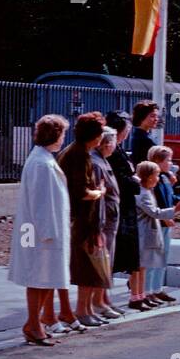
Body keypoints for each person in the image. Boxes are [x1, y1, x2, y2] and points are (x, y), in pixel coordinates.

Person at [7, 114, 71, 346]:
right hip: (43, 232)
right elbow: (42, 201)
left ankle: (35, 322)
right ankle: (33, 323)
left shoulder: (43, 160)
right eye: (62, 133)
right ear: (55, 135)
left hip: (45, 229)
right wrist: (48, 233)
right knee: (38, 277)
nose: (64, 138)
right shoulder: (42, 163)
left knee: (46, 277)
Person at [58, 112, 111, 326]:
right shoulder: (79, 156)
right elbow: (81, 191)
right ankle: (82, 309)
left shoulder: (79, 152)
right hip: (81, 219)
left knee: (91, 265)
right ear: (95, 136)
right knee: (87, 266)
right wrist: (99, 192)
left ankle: (87, 308)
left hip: (84, 218)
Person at [105, 110, 141, 291]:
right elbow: (122, 180)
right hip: (119, 206)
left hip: (124, 206)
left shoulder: (118, 150)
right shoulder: (113, 153)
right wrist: (135, 181)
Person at [91, 127, 123, 322]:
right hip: (105, 221)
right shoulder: (97, 164)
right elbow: (99, 197)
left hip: (110, 219)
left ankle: (103, 298)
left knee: (106, 262)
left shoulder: (102, 161)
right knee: (102, 263)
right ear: (106, 143)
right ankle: (98, 301)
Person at [135, 160, 178, 305]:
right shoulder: (144, 194)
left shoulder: (147, 191)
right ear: (149, 177)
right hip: (144, 235)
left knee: (144, 267)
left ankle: (143, 295)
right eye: (156, 175)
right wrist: (174, 210)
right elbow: (154, 212)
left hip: (147, 234)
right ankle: (141, 295)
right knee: (142, 267)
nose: (158, 178)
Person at [144, 145, 180, 303]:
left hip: (166, 223)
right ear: (157, 161)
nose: (171, 163)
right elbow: (155, 203)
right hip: (158, 223)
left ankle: (157, 288)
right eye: (168, 160)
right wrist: (165, 217)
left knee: (162, 257)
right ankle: (147, 290)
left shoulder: (166, 177)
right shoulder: (154, 181)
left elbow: (170, 196)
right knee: (153, 258)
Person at [130, 100, 160, 165]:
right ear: (142, 117)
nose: (156, 119)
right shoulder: (143, 138)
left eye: (156, 116)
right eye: (152, 116)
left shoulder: (141, 134)